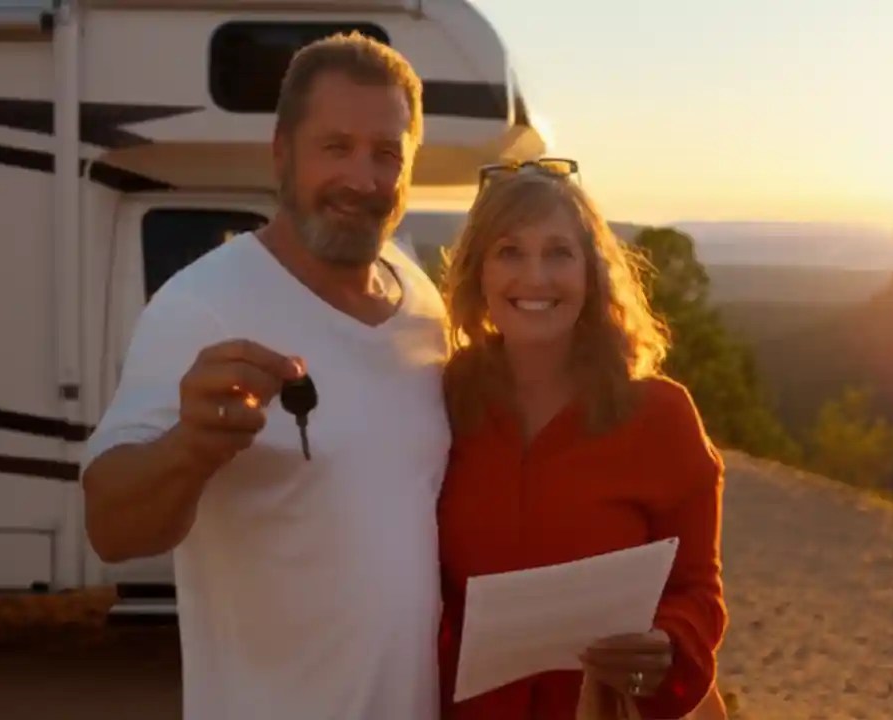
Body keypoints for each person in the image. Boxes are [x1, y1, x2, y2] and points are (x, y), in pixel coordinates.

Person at [79, 32, 452, 720]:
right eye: (336, 147)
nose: (364, 179)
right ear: (282, 152)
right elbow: (110, 526)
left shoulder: (422, 301)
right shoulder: (203, 304)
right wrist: (188, 447)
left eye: (387, 154)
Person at [435, 159, 728, 719]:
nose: (535, 278)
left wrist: (667, 645)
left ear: (591, 274)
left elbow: (697, 592)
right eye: (509, 252)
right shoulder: (440, 401)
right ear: (478, 273)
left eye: (559, 253)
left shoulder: (661, 417)